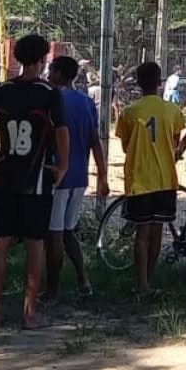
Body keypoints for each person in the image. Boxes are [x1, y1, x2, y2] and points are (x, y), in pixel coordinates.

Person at [0, 34, 69, 328]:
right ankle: (29, 311)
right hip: (36, 179)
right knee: (35, 243)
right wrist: (63, 166)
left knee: (1, 240)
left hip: (6, 175)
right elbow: (61, 131)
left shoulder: (2, 91)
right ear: (43, 58)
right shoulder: (49, 93)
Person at [116, 61, 185, 293]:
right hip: (165, 178)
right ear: (159, 82)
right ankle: (152, 279)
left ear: (137, 82)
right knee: (157, 231)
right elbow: (176, 143)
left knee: (142, 233)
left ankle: (142, 283)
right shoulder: (173, 111)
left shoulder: (129, 112)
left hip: (139, 179)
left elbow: (126, 146)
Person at [44, 56, 109, 300]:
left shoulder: (53, 99)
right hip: (80, 175)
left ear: (59, 73)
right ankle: (83, 280)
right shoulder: (85, 101)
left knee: (55, 233)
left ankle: (51, 290)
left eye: (51, 70)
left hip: (58, 173)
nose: (48, 74)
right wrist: (102, 175)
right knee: (68, 229)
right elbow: (95, 141)